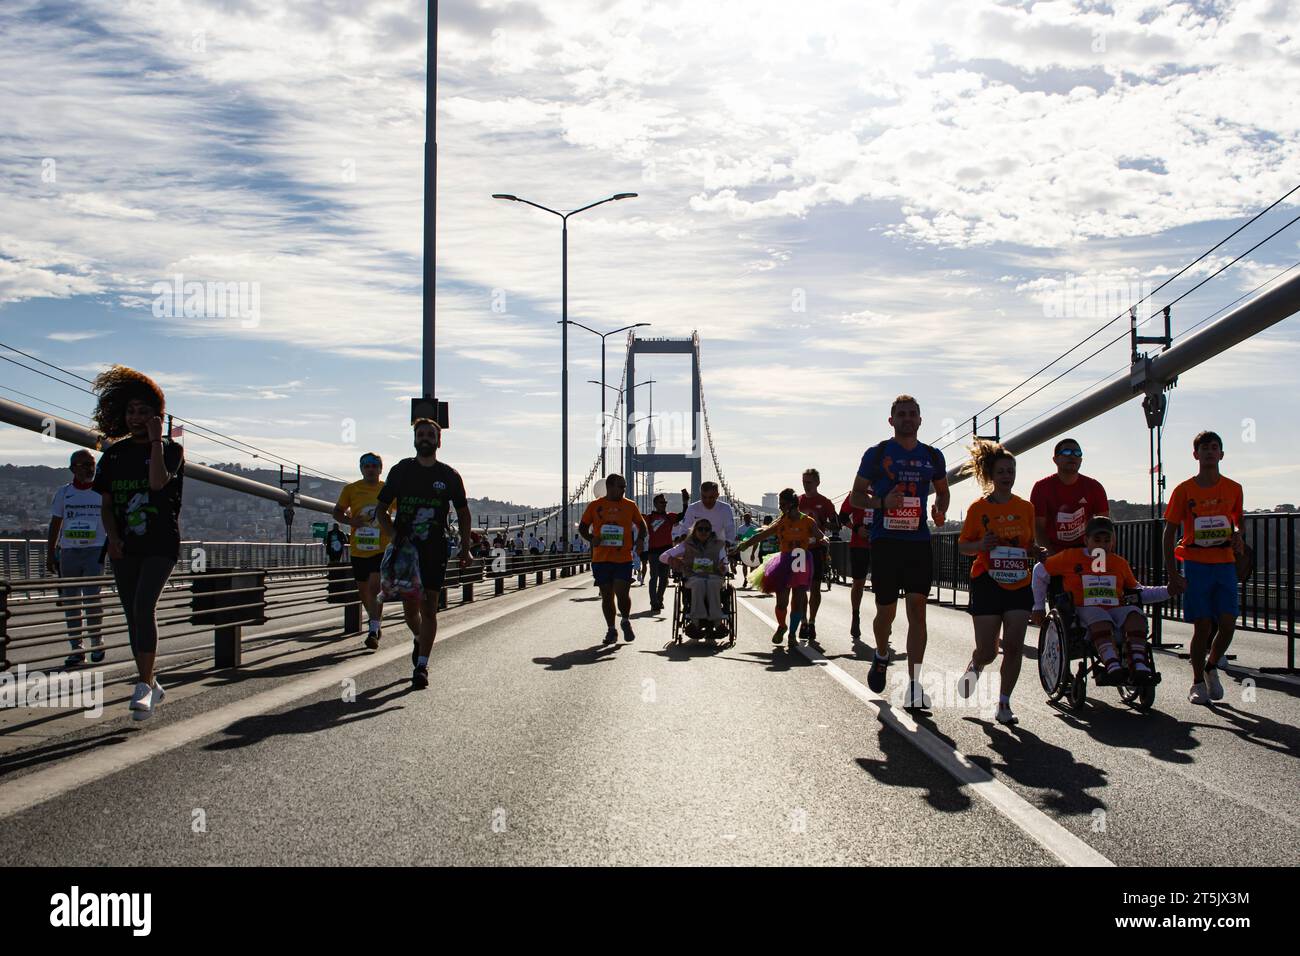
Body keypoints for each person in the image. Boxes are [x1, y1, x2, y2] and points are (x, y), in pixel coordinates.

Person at [90, 367, 183, 721]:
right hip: (125, 545)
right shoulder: (113, 455)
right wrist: (112, 538)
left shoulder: (172, 450)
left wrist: (157, 440)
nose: (136, 417)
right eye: (131, 411)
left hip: (160, 542)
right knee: (132, 615)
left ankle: (143, 686)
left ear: (157, 415)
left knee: (144, 607)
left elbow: (158, 484)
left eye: (143, 411)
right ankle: (151, 682)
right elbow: (107, 505)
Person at [849, 394, 950, 708]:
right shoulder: (877, 454)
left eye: (912, 414)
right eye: (901, 414)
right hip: (885, 542)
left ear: (920, 420)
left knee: (918, 610)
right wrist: (882, 503)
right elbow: (855, 496)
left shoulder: (933, 456)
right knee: (886, 612)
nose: (907, 418)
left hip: (918, 541)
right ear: (891, 421)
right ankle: (881, 654)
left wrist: (939, 510)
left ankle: (915, 685)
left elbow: (943, 492)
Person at [376, 419, 473, 689]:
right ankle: (420, 638)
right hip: (406, 550)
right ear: (415, 439)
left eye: (431, 434)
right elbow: (380, 510)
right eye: (421, 434)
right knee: (410, 610)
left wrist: (466, 548)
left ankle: (421, 666)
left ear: (439, 441)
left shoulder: (449, 475)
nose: (426, 438)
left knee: (429, 606)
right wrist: (393, 535)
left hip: (434, 548)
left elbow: (464, 514)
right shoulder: (401, 470)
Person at [956, 441, 1039, 725]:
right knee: (989, 651)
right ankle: (977, 663)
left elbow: (1029, 544)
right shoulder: (978, 509)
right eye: (1002, 471)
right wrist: (982, 543)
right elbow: (964, 546)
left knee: (1014, 647)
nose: (1007, 476)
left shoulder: (1026, 507)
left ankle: (1004, 704)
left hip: (1018, 583)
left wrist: (1034, 551)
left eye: (1011, 471)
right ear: (991, 475)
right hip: (987, 582)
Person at [1033, 516, 1168, 684]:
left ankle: (1138, 664)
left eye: (1106, 541)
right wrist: (1038, 606)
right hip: (1082, 610)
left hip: (1114, 609)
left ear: (1112, 542)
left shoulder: (1119, 563)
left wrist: (1169, 591)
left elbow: (1139, 591)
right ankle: (1112, 664)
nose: (1102, 545)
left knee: (1135, 614)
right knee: (1099, 615)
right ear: (1086, 540)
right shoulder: (1070, 557)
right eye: (1097, 540)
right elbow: (1039, 571)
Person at [1162, 430, 1245, 705]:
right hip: (1196, 564)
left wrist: (1237, 534)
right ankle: (1197, 681)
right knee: (1202, 625)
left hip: (1225, 564)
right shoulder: (1184, 490)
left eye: (1214, 447)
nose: (1210, 452)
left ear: (1221, 454)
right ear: (1196, 455)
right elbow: (1169, 531)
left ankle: (1211, 666)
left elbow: (1238, 522)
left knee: (1228, 623)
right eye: (1204, 448)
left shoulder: (1234, 488)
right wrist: (1173, 573)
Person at [738, 488, 825, 653]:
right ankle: (782, 626)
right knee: (782, 602)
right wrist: (745, 544)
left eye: (783, 504)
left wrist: (825, 539)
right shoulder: (781, 522)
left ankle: (792, 634)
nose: (781, 507)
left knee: (798, 600)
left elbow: (819, 534)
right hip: (784, 561)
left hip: (801, 561)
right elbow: (762, 534)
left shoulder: (807, 521)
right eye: (780, 504)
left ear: (792, 504)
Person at [47, 449, 108, 667]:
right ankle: (77, 648)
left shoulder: (102, 491)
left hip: (96, 549)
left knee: (93, 598)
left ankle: (97, 642)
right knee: (71, 601)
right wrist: (50, 553)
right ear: (73, 468)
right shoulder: (64, 493)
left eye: (91, 463)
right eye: (82, 464)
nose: (88, 468)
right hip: (69, 551)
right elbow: (56, 523)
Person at [333, 452, 394, 649]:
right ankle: (376, 621)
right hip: (359, 549)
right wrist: (351, 521)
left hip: (381, 548)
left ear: (380, 469)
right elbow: (337, 512)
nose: (370, 469)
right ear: (361, 469)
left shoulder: (387, 489)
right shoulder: (351, 489)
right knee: (364, 592)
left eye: (374, 466)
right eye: (366, 466)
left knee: (375, 588)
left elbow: (404, 511)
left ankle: (373, 630)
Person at [578, 474, 647, 644]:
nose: (624, 490)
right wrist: (590, 538)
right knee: (607, 596)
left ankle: (625, 619)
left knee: (622, 593)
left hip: (623, 557)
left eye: (624, 487)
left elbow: (642, 525)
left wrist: (639, 540)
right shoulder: (595, 506)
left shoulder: (630, 505)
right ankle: (611, 630)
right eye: (621, 486)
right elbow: (583, 527)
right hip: (601, 558)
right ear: (610, 487)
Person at [1030, 438, 1109, 555]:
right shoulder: (1041, 487)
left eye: (1077, 453)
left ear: (1081, 460)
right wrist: (1051, 559)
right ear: (1055, 459)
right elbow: (1039, 529)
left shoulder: (1094, 487)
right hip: (1054, 553)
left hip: (1087, 554)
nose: (1072, 456)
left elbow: (1105, 526)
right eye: (1066, 452)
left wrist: (1102, 558)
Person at [660, 517, 731, 640]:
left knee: (712, 583)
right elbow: (663, 556)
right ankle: (695, 623)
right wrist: (673, 560)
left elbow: (724, 563)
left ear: (710, 531)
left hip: (714, 576)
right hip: (693, 576)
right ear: (695, 531)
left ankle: (718, 623)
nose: (703, 532)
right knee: (699, 583)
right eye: (700, 529)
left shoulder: (718, 545)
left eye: (707, 529)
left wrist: (723, 568)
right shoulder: (685, 545)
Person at [797, 468, 839, 642]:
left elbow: (836, 525)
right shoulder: (797, 501)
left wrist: (827, 524)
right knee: (799, 589)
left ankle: (812, 622)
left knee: (815, 588)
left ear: (817, 483)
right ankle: (803, 622)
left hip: (816, 550)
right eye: (804, 481)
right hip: (799, 550)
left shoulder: (825, 502)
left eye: (809, 482)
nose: (805, 485)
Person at [837, 490, 873, 645]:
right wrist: (857, 528)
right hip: (859, 545)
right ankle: (855, 615)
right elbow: (842, 517)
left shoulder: (887, 488)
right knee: (859, 582)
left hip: (882, 544)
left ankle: (884, 618)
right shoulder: (856, 492)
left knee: (883, 583)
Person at [644, 491, 688, 612]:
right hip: (653, 552)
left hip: (666, 552)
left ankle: (659, 600)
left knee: (664, 578)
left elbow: (684, 514)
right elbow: (635, 519)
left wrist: (685, 502)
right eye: (661, 502)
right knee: (654, 577)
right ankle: (654, 603)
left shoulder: (670, 517)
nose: (664, 504)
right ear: (655, 504)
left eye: (665, 502)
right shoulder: (649, 518)